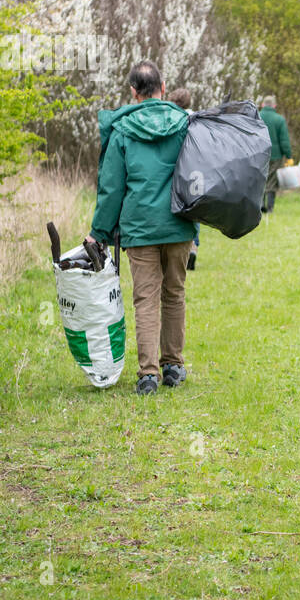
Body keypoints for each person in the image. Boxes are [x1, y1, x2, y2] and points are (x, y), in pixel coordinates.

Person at [86, 61, 196, 395]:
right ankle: (173, 366)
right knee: (174, 293)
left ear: (133, 92)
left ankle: (148, 374)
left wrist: (99, 232)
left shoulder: (122, 130)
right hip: (179, 224)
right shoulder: (185, 125)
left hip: (139, 228)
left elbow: (112, 188)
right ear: (163, 87)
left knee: (146, 298)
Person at [167, 88, 199, 270]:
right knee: (192, 212)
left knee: (176, 209)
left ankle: (177, 250)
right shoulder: (196, 120)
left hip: (174, 172)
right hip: (193, 173)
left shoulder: (169, 119)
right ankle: (192, 246)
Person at [259, 96, 293, 214]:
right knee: (272, 180)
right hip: (275, 155)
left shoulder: (256, 117)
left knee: (260, 178)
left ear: (262, 105)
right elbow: (284, 140)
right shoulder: (279, 119)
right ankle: (270, 208)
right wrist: (288, 155)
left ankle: (260, 204)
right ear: (274, 106)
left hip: (257, 154)